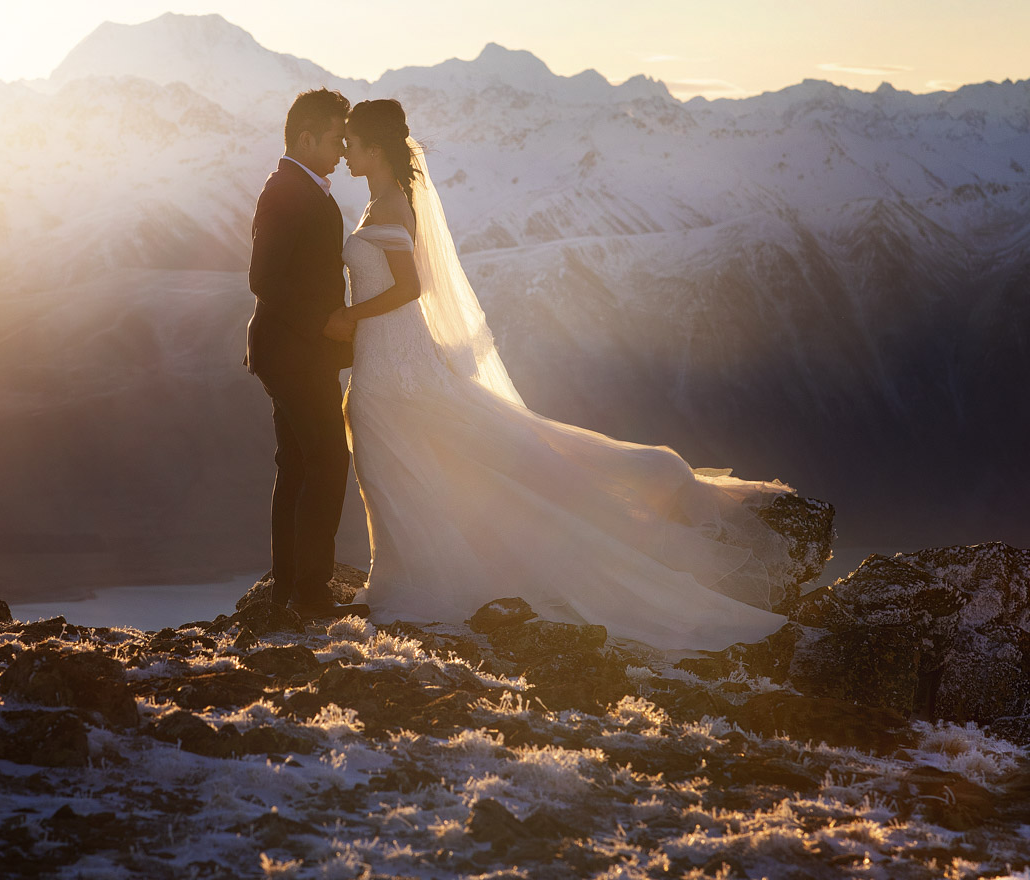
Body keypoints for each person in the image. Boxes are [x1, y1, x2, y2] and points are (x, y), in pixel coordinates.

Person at [338, 98, 795, 652]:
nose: (343, 150)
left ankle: (410, 580)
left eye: (350, 142)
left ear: (375, 148)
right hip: (389, 361)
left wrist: (346, 318)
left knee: (417, 467)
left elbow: (411, 289)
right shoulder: (384, 202)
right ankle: (394, 574)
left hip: (395, 366)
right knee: (405, 472)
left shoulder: (388, 207)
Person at [244, 88, 371, 619]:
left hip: (294, 353)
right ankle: (311, 594)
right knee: (328, 461)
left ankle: (288, 593)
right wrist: (326, 323)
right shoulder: (286, 190)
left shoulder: (300, 187)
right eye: (336, 140)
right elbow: (263, 278)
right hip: (295, 354)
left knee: (297, 465)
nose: (343, 152)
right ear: (305, 138)